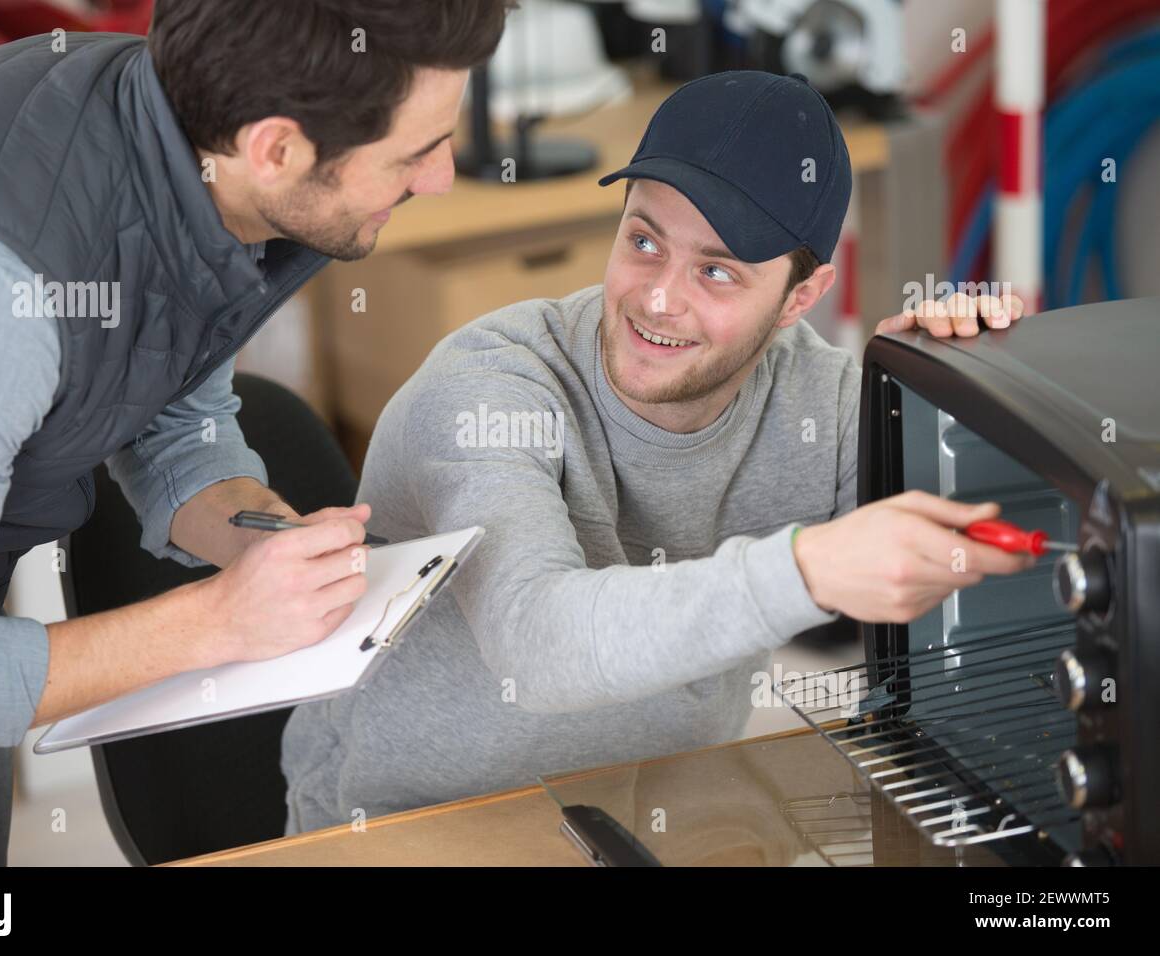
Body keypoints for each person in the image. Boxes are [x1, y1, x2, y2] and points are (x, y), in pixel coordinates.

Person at [280, 70, 1030, 834]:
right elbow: (537, 642)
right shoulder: (488, 391)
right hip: (409, 831)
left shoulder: (827, 403)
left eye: (716, 271)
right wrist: (802, 569)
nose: (659, 298)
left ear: (800, 298)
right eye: (643, 241)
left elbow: (988, 564)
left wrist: (954, 391)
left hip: (664, 818)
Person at [0, 0, 515, 865]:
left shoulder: (185, 141)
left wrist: (256, 540)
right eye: (415, 152)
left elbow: (170, 399)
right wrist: (216, 623)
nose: (443, 176)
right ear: (276, 149)